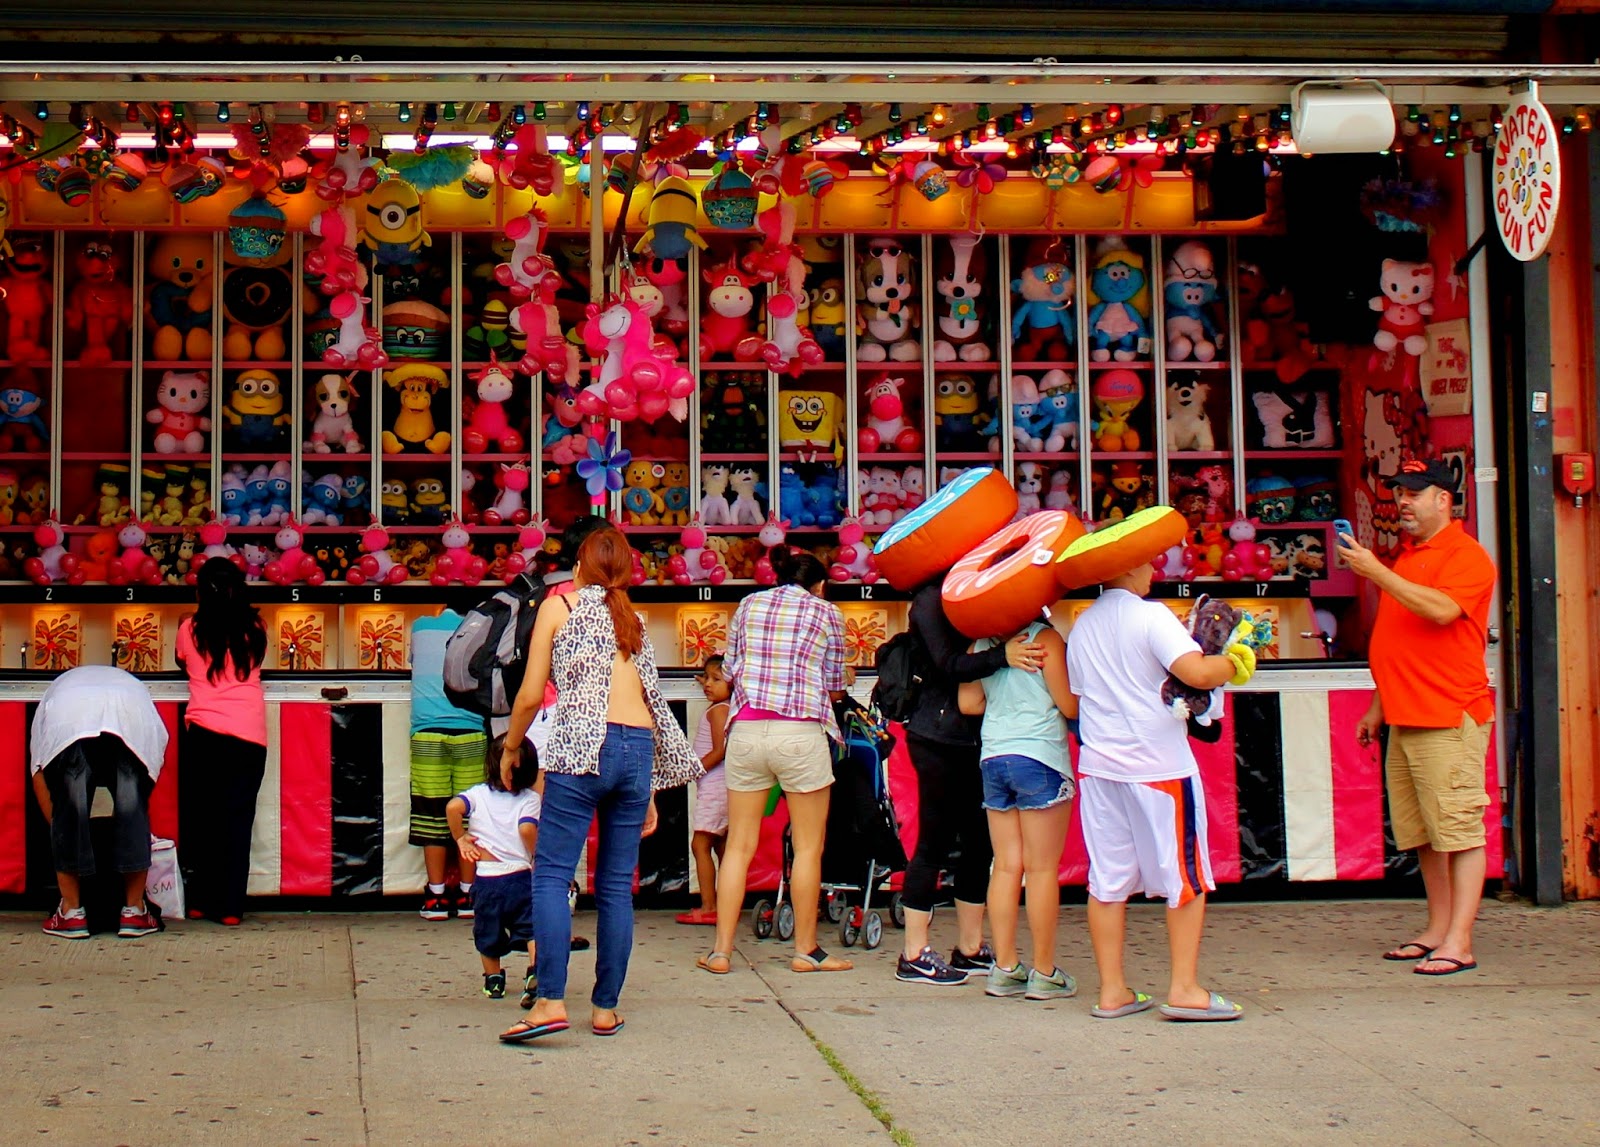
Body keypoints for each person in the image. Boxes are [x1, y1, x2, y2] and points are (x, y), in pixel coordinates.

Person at [497, 525, 701, 1042]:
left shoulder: (558, 607)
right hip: (636, 750)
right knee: (614, 886)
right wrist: (648, 787)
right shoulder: (633, 619)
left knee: (551, 875)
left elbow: (529, 694)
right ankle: (605, 1008)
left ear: (580, 567)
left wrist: (512, 745)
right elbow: (648, 698)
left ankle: (549, 1001)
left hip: (583, 747)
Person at [1066, 555, 1252, 1022]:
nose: (1155, 570)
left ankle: (1112, 991)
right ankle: (1184, 988)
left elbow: (1075, 699)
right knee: (1185, 877)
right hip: (1159, 764)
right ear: (1129, 567)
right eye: (1148, 562)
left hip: (1100, 767)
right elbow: (1197, 673)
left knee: (1107, 880)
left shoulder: (1083, 625)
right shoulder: (1152, 616)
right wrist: (1234, 660)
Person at [1340, 458, 1497, 977]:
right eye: (1399, 492)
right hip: (1406, 714)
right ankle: (1437, 929)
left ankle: (1460, 941)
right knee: (1427, 834)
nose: (1402, 502)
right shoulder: (1409, 556)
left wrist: (1376, 572)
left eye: (1414, 493)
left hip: (1448, 713)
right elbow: (1401, 639)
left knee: (1459, 831)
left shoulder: (1466, 555)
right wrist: (1378, 705)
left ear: (1443, 500)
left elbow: (1442, 611)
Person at [701, 550, 852, 976]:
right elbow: (835, 684)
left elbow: (730, 670)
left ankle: (720, 952)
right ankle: (806, 950)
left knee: (738, 845)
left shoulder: (749, 604)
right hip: (800, 733)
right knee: (808, 848)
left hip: (747, 733)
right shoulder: (827, 612)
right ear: (819, 585)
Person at [895, 579, 1046, 986]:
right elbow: (948, 663)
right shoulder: (930, 599)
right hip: (938, 735)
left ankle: (970, 946)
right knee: (934, 842)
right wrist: (1002, 655)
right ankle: (914, 953)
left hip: (982, 738)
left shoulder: (984, 589)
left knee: (980, 845)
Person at [957, 619, 1078, 1000]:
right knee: (1041, 869)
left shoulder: (980, 644)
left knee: (1006, 866)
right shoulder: (1046, 639)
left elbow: (968, 703)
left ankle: (1006, 968)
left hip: (994, 756)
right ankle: (1044, 972)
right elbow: (1069, 704)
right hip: (1039, 755)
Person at [30, 665, 168, 939]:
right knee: (132, 803)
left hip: (69, 718)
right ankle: (135, 911)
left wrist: (61, 828)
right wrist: (134, 815)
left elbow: (38, 771)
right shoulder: (130, 685)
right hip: (130, 714)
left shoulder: (54, 694)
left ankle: (71, 913)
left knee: (71, 805)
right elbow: (149, 774)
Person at [175, 557, 268, 926]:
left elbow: (182, 661)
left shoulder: (189, 628)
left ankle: (201, 901)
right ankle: (230, 908)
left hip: (204, 730)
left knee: (203, 818)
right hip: (249, 732)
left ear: (200, 592)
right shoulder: (256, 628)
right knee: (237, 819)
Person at [409, 605, 488, 921]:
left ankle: (436, 896)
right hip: (471, 730)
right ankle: (468, 894)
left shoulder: (420, 626)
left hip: (427, 732)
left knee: (431, 812)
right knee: (471, 813)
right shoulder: (484, 628)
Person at [446, 734, 540, 1001]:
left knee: (487, 931)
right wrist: (537, 856)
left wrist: (460, 837)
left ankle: (494, 980)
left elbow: (452, 807)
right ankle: (536, 971)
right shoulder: (530, 799)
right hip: (520, 877)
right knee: (533, 928)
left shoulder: (477, 794)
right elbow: (526, 829)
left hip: (487, 879)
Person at [677, 653, 730, 926]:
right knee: (721, 845)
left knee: (700, 844)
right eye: (705, 678)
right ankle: (726, 904)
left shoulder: (718, 711)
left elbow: (720, 750)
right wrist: (710, 677)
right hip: (722, 787)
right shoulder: (724, 707)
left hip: (714, 787)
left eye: (716, 679)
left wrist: (692, 770)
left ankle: (709, 906)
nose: (708, 684)